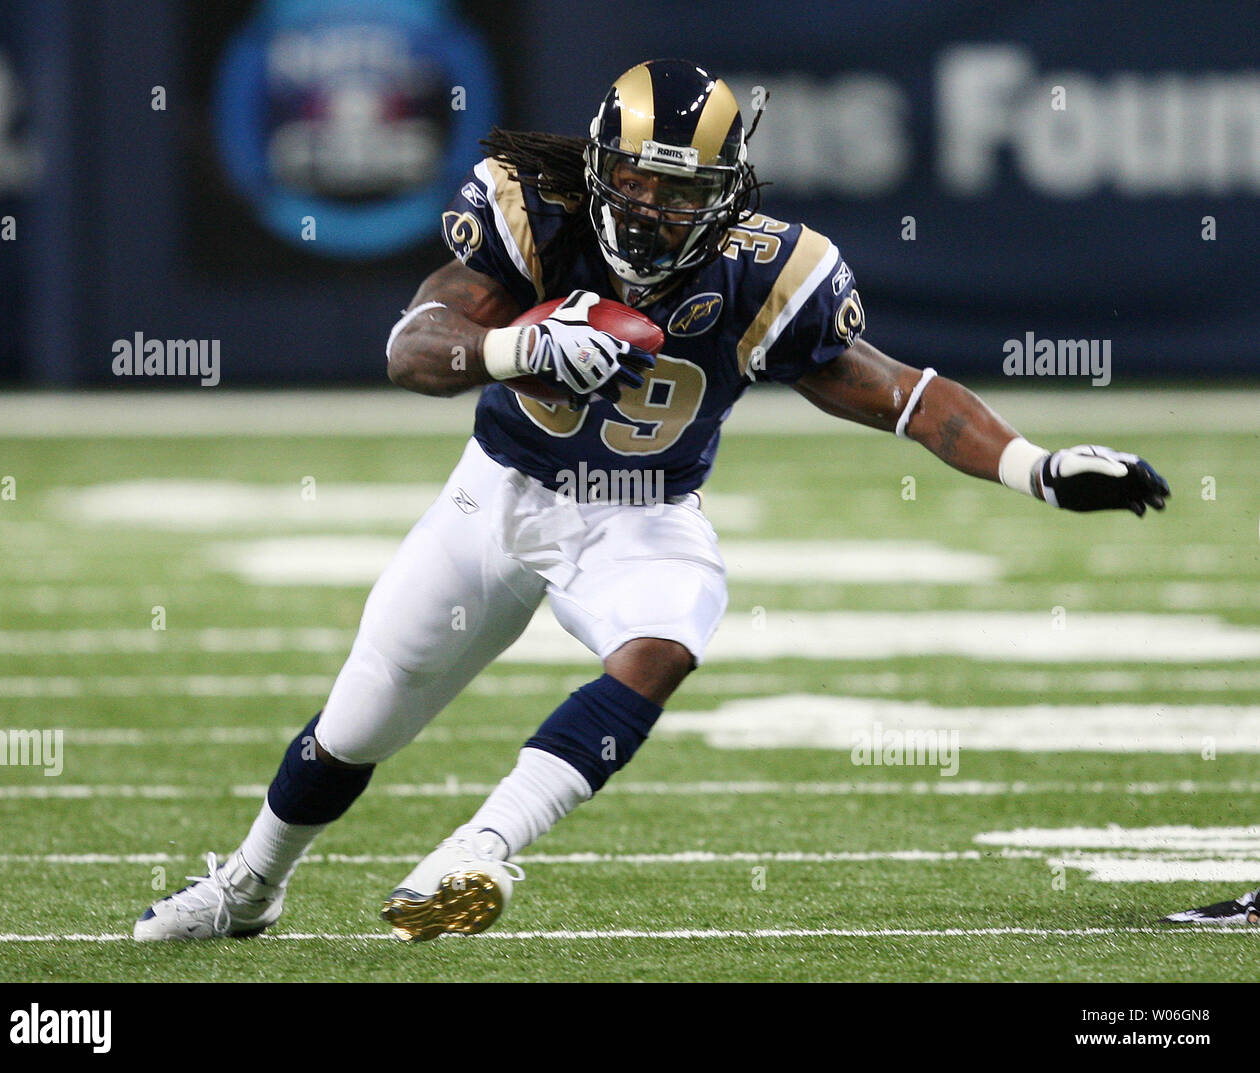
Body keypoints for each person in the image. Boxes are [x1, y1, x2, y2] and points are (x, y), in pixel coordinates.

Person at [134, 59, 1170, 943]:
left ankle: (481, 846)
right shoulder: (533, 218)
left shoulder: (769, 271)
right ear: (599, 170)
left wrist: (1033, 464)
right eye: (636, 180)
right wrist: (512, 345)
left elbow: (901, 395)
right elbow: (412, 348)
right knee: (355, 726)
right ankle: (248, 887)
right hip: (495, 498)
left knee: (673, 627)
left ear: (727, 194)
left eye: (685, 190)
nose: (653, 207)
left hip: (637, 512)